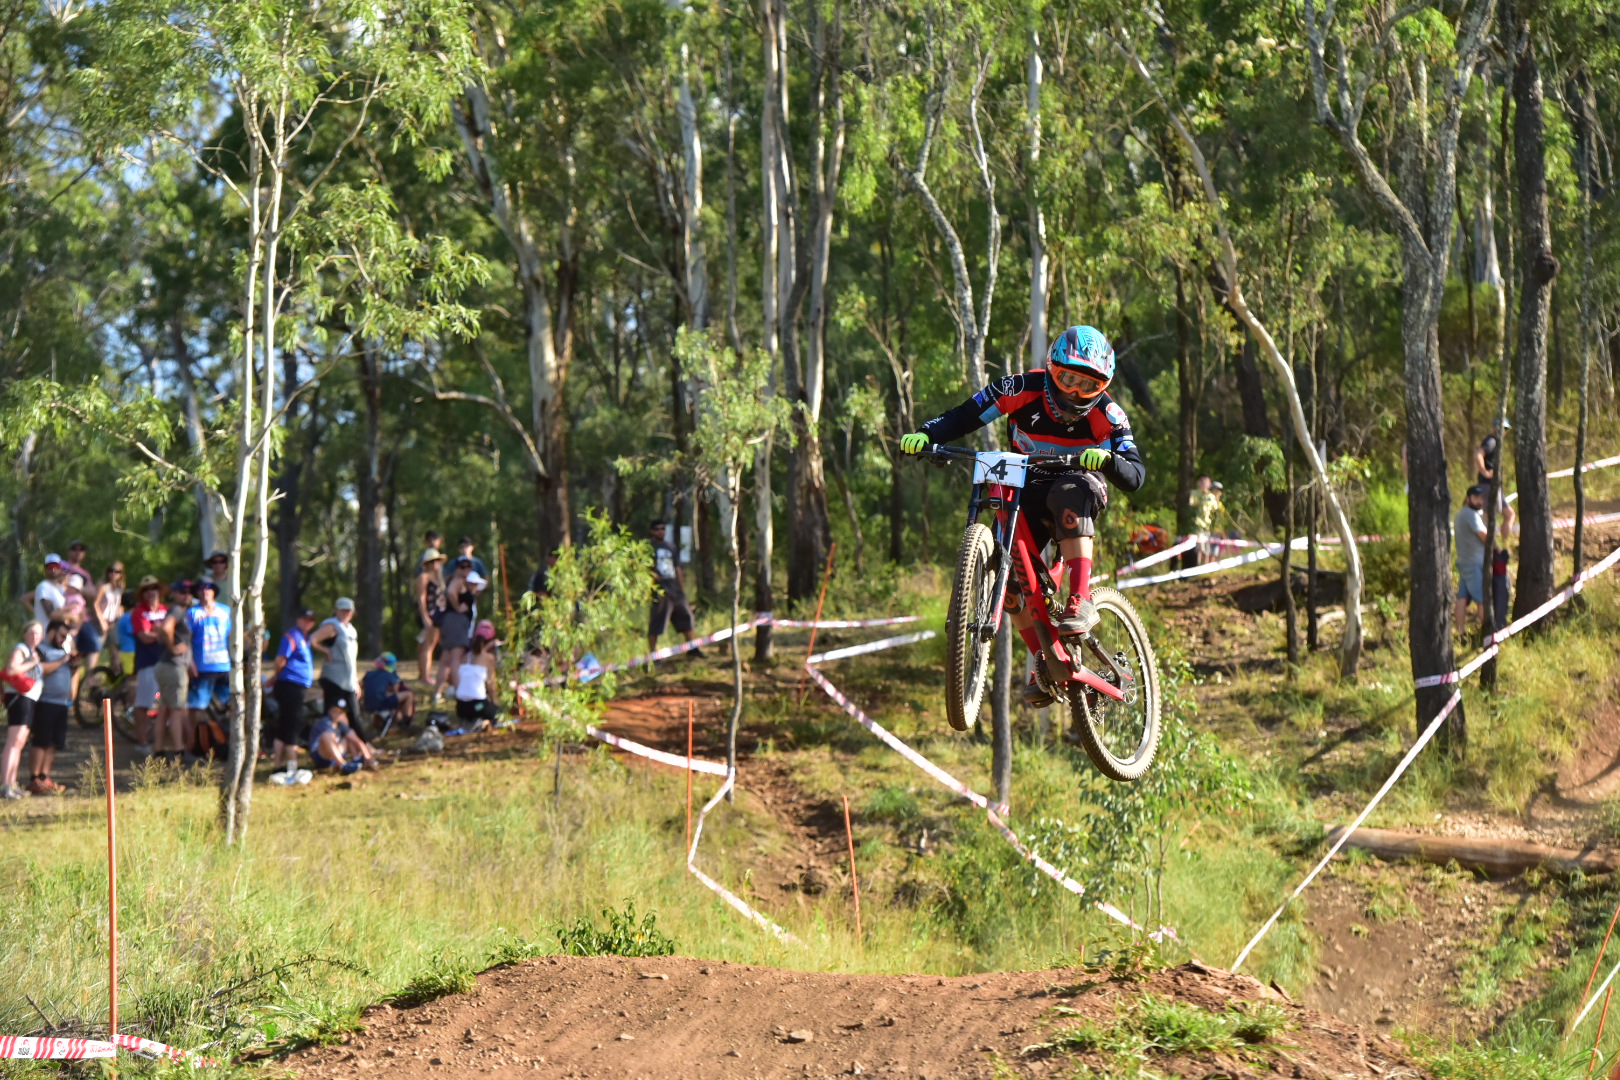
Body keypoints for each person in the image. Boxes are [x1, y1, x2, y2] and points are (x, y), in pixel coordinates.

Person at [901, 324, 1146, 707]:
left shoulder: (1107, 412)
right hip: (1024, 484)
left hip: (1076, 482)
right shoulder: (1019, 388)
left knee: (1070, 492)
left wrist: (1110, 461)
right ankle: (1042, 661)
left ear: (1102, 388)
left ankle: (1080, 600)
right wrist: (928, 434)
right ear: (1051, 368)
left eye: (1088, 386)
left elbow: (1135, 473)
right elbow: (966, 415)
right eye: (1067, 378)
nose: (1075, 392)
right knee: (1011, 574)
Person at [266, 608, 317, 786]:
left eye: (311, 620)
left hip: (297, 686)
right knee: (293, 723)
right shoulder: (291, 636)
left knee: (285, 724)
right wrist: (275, 677)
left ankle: (278, 764)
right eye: (304, 619)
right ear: (298, 619)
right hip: (289, 684)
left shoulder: (305, 638)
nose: (308, 623)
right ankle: (292, 765)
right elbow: (281, 660)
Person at [28, 619, 78, 795]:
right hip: (45, 702)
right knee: (41, 741)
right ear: (52, 632)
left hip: (62, 704)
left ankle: (44, 777)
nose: (64, 639)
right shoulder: (41, 649)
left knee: (55, 743)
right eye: (62, 635)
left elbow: (70, 673)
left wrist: (73, 665)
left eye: (66, 636)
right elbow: (41, 669)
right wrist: (63, 659)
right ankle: (34, 779)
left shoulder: (63, 650)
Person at [1, 622, 45, 799]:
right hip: (20, 698)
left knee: (19, 743)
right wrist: (33, 662)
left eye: (38, 634)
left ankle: (11, 783)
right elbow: (12, 669)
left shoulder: (32, 651)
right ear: (25, 633)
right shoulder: (22, 649)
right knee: (13, 743)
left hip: (28, 699)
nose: (35, 637)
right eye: (32, 633)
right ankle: (5, 785)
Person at [185, 578, 232, 737]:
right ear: (197, 592)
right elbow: (186, 640)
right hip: (202, 667)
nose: (205, 591)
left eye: (208, 588)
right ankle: (193, 742)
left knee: (229, 704)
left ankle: (225, 738)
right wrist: (190, 662)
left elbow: (232, 637)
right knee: (197, 707)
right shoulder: (192, 613)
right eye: (201, 588)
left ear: (214, 591)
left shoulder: (225, 611)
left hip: (224, 665)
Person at [154, 580, 195, 762]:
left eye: (189, 592)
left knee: (164, 710)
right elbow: (165, 628)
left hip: (166, 666)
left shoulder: (181, 612)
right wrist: (172, 648)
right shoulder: (177, 610)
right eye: (182, 591)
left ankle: (158, 751)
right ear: (175, 594)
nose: (187, 595)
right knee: (177, 710)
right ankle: (179, 752)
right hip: (173, 666)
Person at [129, 575, 169, 758]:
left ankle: (162, 741)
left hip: (167, 660)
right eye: (146, 589)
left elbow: (173, 633)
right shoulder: (139, 612)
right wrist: (162, 633)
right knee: (143, 703)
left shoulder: (166, 610)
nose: (150, 592)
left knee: (167, 702)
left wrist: (157, 632)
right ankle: (142, 741)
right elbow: (143, 636)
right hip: (147, 662)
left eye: (153, 587)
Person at [647, 520, 699, 656]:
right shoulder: (648, 547)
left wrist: (681, 588)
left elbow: (677, 568)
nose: (661, 531)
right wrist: (652, 577)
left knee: (686, 617)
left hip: (674, 589)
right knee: (657, 622)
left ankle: (692, 648)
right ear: (652, 531)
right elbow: (642, 567)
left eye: (663, 529)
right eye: (658, 529)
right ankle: (652, 654)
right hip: (660, 590)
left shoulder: (670, 546)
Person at [311, 597, 360, 728]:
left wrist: (355, 681)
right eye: (342, 610)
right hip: (334, 679)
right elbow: (313, 639)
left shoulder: (350, 629)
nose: (345, 614)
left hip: (347, 679)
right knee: (333, 713)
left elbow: (351, 660)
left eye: (348, 611)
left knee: (352, 713)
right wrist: (326, 651)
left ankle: (357, 744)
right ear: (336, 610)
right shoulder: (332, 626)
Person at [81, 562, 125, 694]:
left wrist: (120, 613)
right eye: (111, 571)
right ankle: (89, 685)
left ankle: (114, 685)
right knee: (95, 653)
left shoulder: (119, 588)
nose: (113, 574)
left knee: (116, 656)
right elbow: (95, 604)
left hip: (113, 623)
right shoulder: (103, 586)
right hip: (99, 622)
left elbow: (118, 605)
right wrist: (101, 621)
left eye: (117, 571)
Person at [435, 557, 475, 701]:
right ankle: (460, 692)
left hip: (450, 622)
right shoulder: (458, 581)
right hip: (456, 623)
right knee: (456, 659)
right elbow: (451, 592)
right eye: (462, 566)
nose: (466, 569)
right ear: (457, 568)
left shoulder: (459, 581)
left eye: (468, 566)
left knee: (446, 659)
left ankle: (437, 694)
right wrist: (458, 607)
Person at [307, 696, 379, 774]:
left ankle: (356, 759)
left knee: (349, 737)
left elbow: (356, 739)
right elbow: (328, 738)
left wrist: (367, 756)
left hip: (335, 754)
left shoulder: (340, 724)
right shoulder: (325, 722)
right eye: (336, 711)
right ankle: (342, 765)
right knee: (326, 735)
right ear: (330, 711)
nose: (338, 715)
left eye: (341, 712)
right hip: (321, 756)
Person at [1453, 484, 1490, 632]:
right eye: (1476, 498)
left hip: (1466, 562)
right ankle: (1489, 634)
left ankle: (1461, 633)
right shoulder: (1470, 514)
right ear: (1468, 498)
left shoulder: (1463, 514)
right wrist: (1497, 548)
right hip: (1472, 564)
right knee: (1482, 600)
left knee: (1462, 598)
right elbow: (1484, 536)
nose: (1479, 501)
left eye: (1481, 498)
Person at [453, 621, 499, 732]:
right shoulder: (488, 658)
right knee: (495, 711)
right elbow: (491, 686)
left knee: (477, 708)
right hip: (477, 706)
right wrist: (495, 702)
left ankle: (471, 721)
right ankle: (483, 722)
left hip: (461, 707)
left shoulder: (465, 656)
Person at [1473, 420, 1517, 536]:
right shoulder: (1491, 441)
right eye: (1503, 428)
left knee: (1509, 514)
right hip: (1488, 485)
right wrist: (1485, 472)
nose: (1505, 432)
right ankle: (1491, 548)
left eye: (1506, 429)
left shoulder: (1495, 442)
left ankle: (1503, 546)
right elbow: (1478, 456)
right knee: (1489, 518)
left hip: (1494, 485)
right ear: (1495, 428)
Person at [415, 547, 445, 692]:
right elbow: (421, 598)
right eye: (432, 561)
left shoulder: (439, 578)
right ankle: (425, 675)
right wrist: (425, 617)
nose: (435, 564)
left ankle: (423, 674)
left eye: (437, 561)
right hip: (429, 615)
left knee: (426, 644)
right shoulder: (424, 577)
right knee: (428, 645)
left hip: (438, 614)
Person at [361, 653, 415, 726]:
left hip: (367, 704)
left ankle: (391, 722)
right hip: (381, 703)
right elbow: (396, 691)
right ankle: (406, 721)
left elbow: (362, 687)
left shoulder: (368, 674)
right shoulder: (390, 675)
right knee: (409, 694)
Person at [20, 554, 67, 627]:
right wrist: (72, 616)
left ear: (60, 568)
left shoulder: (60, 588)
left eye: (56, 566)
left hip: (59, 633)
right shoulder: (44, 587)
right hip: (46, 633)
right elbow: (51, 614)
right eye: (50, 567)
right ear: (45, 569)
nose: (53, 570)